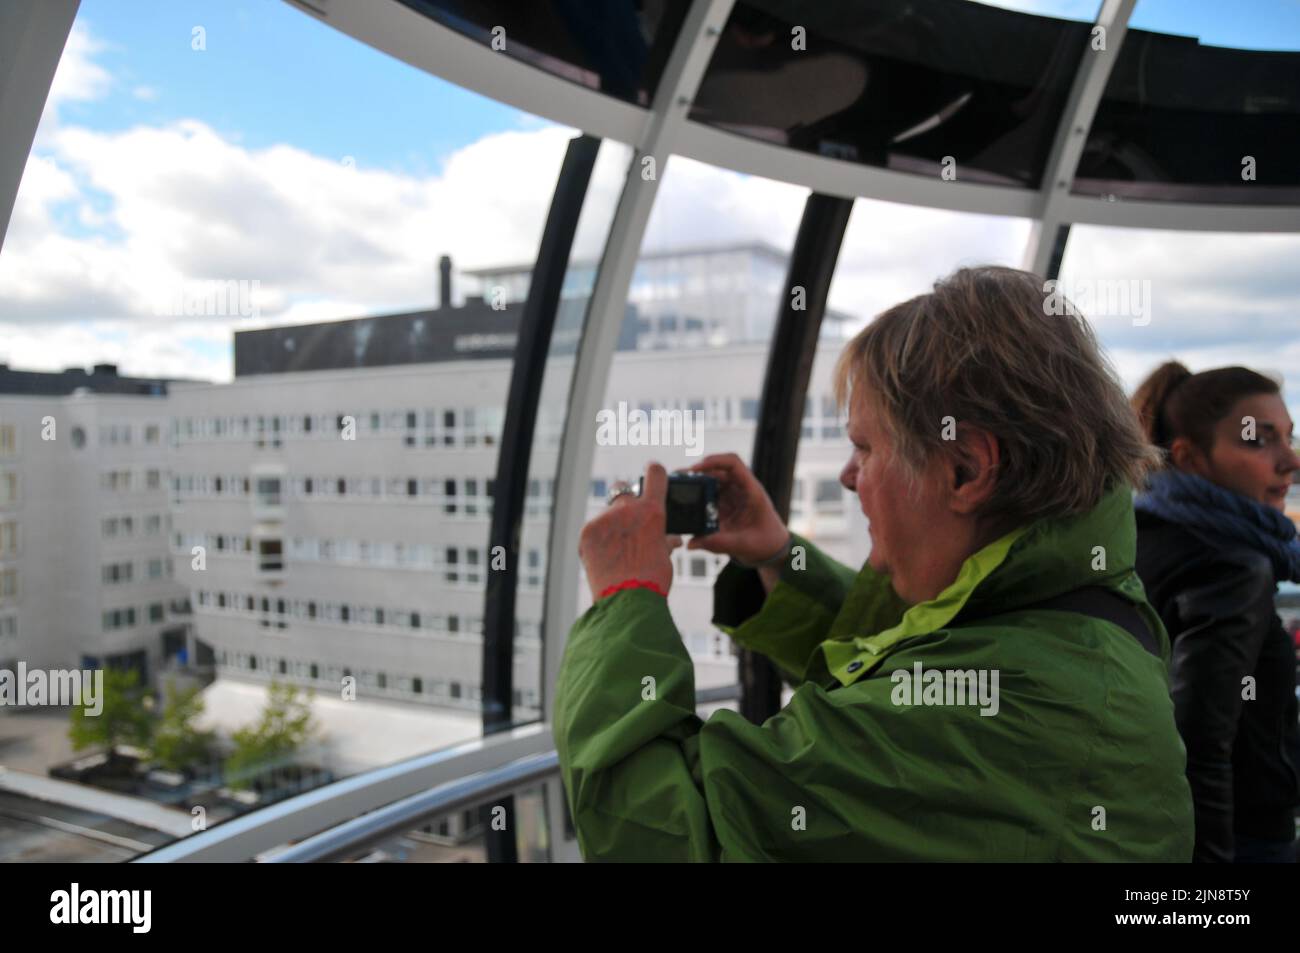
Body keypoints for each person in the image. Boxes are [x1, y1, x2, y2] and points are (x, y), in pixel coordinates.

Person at [554, 265, 1194, 861]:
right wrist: (781, 557)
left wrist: (625, 598)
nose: (848, 476)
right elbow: (917, 655)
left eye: (866, 446)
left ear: (966, 468)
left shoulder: (1000, 713)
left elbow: (660, 828)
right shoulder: (1070, 611)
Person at [1131, 362, 1300, 863]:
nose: (1290, 461)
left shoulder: (1139, 538)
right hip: (1244, 842)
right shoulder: (1233, 568)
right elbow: (1199, 746)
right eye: (1259, 441)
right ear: (1189, 457)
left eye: (1289, 438)